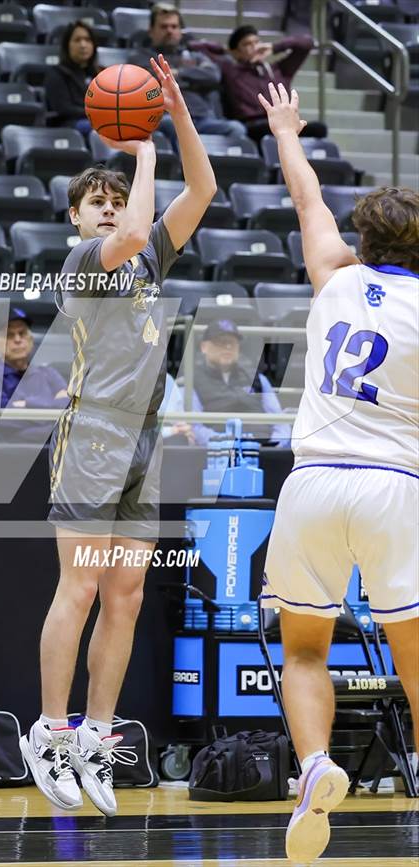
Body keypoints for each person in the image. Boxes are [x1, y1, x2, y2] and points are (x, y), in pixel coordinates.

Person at [19, 54, 216, 817]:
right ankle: (50, 728)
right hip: (93, 437)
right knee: (80, 585)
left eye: (112, 199)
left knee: (126, 596)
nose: (107, 209)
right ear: (76, 219)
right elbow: (140, 223)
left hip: (144, 438)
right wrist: (143, 148)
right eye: (92, 202)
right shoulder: (86, 263)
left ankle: (98, 737)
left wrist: (177, 112)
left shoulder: (148, 266)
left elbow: (201, 193)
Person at [257, 83, 418, 864]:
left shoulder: (336, 276)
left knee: (305, 650)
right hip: (394, 484)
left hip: (313, 479)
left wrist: (286, 128)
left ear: (367, 240)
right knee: (416, 656)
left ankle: (315, 764)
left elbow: (304, 191)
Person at [128, 4, 246, 148]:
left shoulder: (196, 56)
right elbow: (150, 81)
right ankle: (184, 170)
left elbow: (213, 75)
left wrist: (178, 74)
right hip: (166, 118)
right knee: (172, 124)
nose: (170, 31)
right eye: (164, 27)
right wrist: (194, 80)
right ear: (151, 31)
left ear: (180, 31)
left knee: (236, 128)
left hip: (203, 119)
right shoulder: (140, 57)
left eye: (174, 26)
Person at [192, 25, 327, 142]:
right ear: (236, 52)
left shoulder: (278, 70)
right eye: (247, 44)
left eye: (256, 42)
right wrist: (227, 50)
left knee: (319, 129)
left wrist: (275, 47)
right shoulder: (231, 71)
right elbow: (198, 47)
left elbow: (307, 43)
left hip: (283, 122)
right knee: (272, 129)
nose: (254, 47)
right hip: (253, 126)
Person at [0, 307, 69, 443]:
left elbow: (68, 408)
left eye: (22, 333)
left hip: (53, 454)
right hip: (10, 453)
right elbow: (2, 418)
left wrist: (26, 404)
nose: (18, 339)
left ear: (30, 341)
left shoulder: (50, 373)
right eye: (9, 335)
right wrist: (51, 415)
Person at [190, 319, 291, 446]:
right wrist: (231, 444)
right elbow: (194, 427)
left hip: (264, 448)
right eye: (221, 342)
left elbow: (280, 421)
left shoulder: (258, 378)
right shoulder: (191, 381)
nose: (227, 347)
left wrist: (275, 444)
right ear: (204, 347)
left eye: (232, 343)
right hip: (219, 453)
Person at [44, 21, 100, 134]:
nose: (83, 45)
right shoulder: (56, 74)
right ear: (67, 45)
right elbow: (64, 109)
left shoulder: (98, 75)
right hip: (69, 125)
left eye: (87, 40)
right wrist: (97, 113)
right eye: (77, 40)